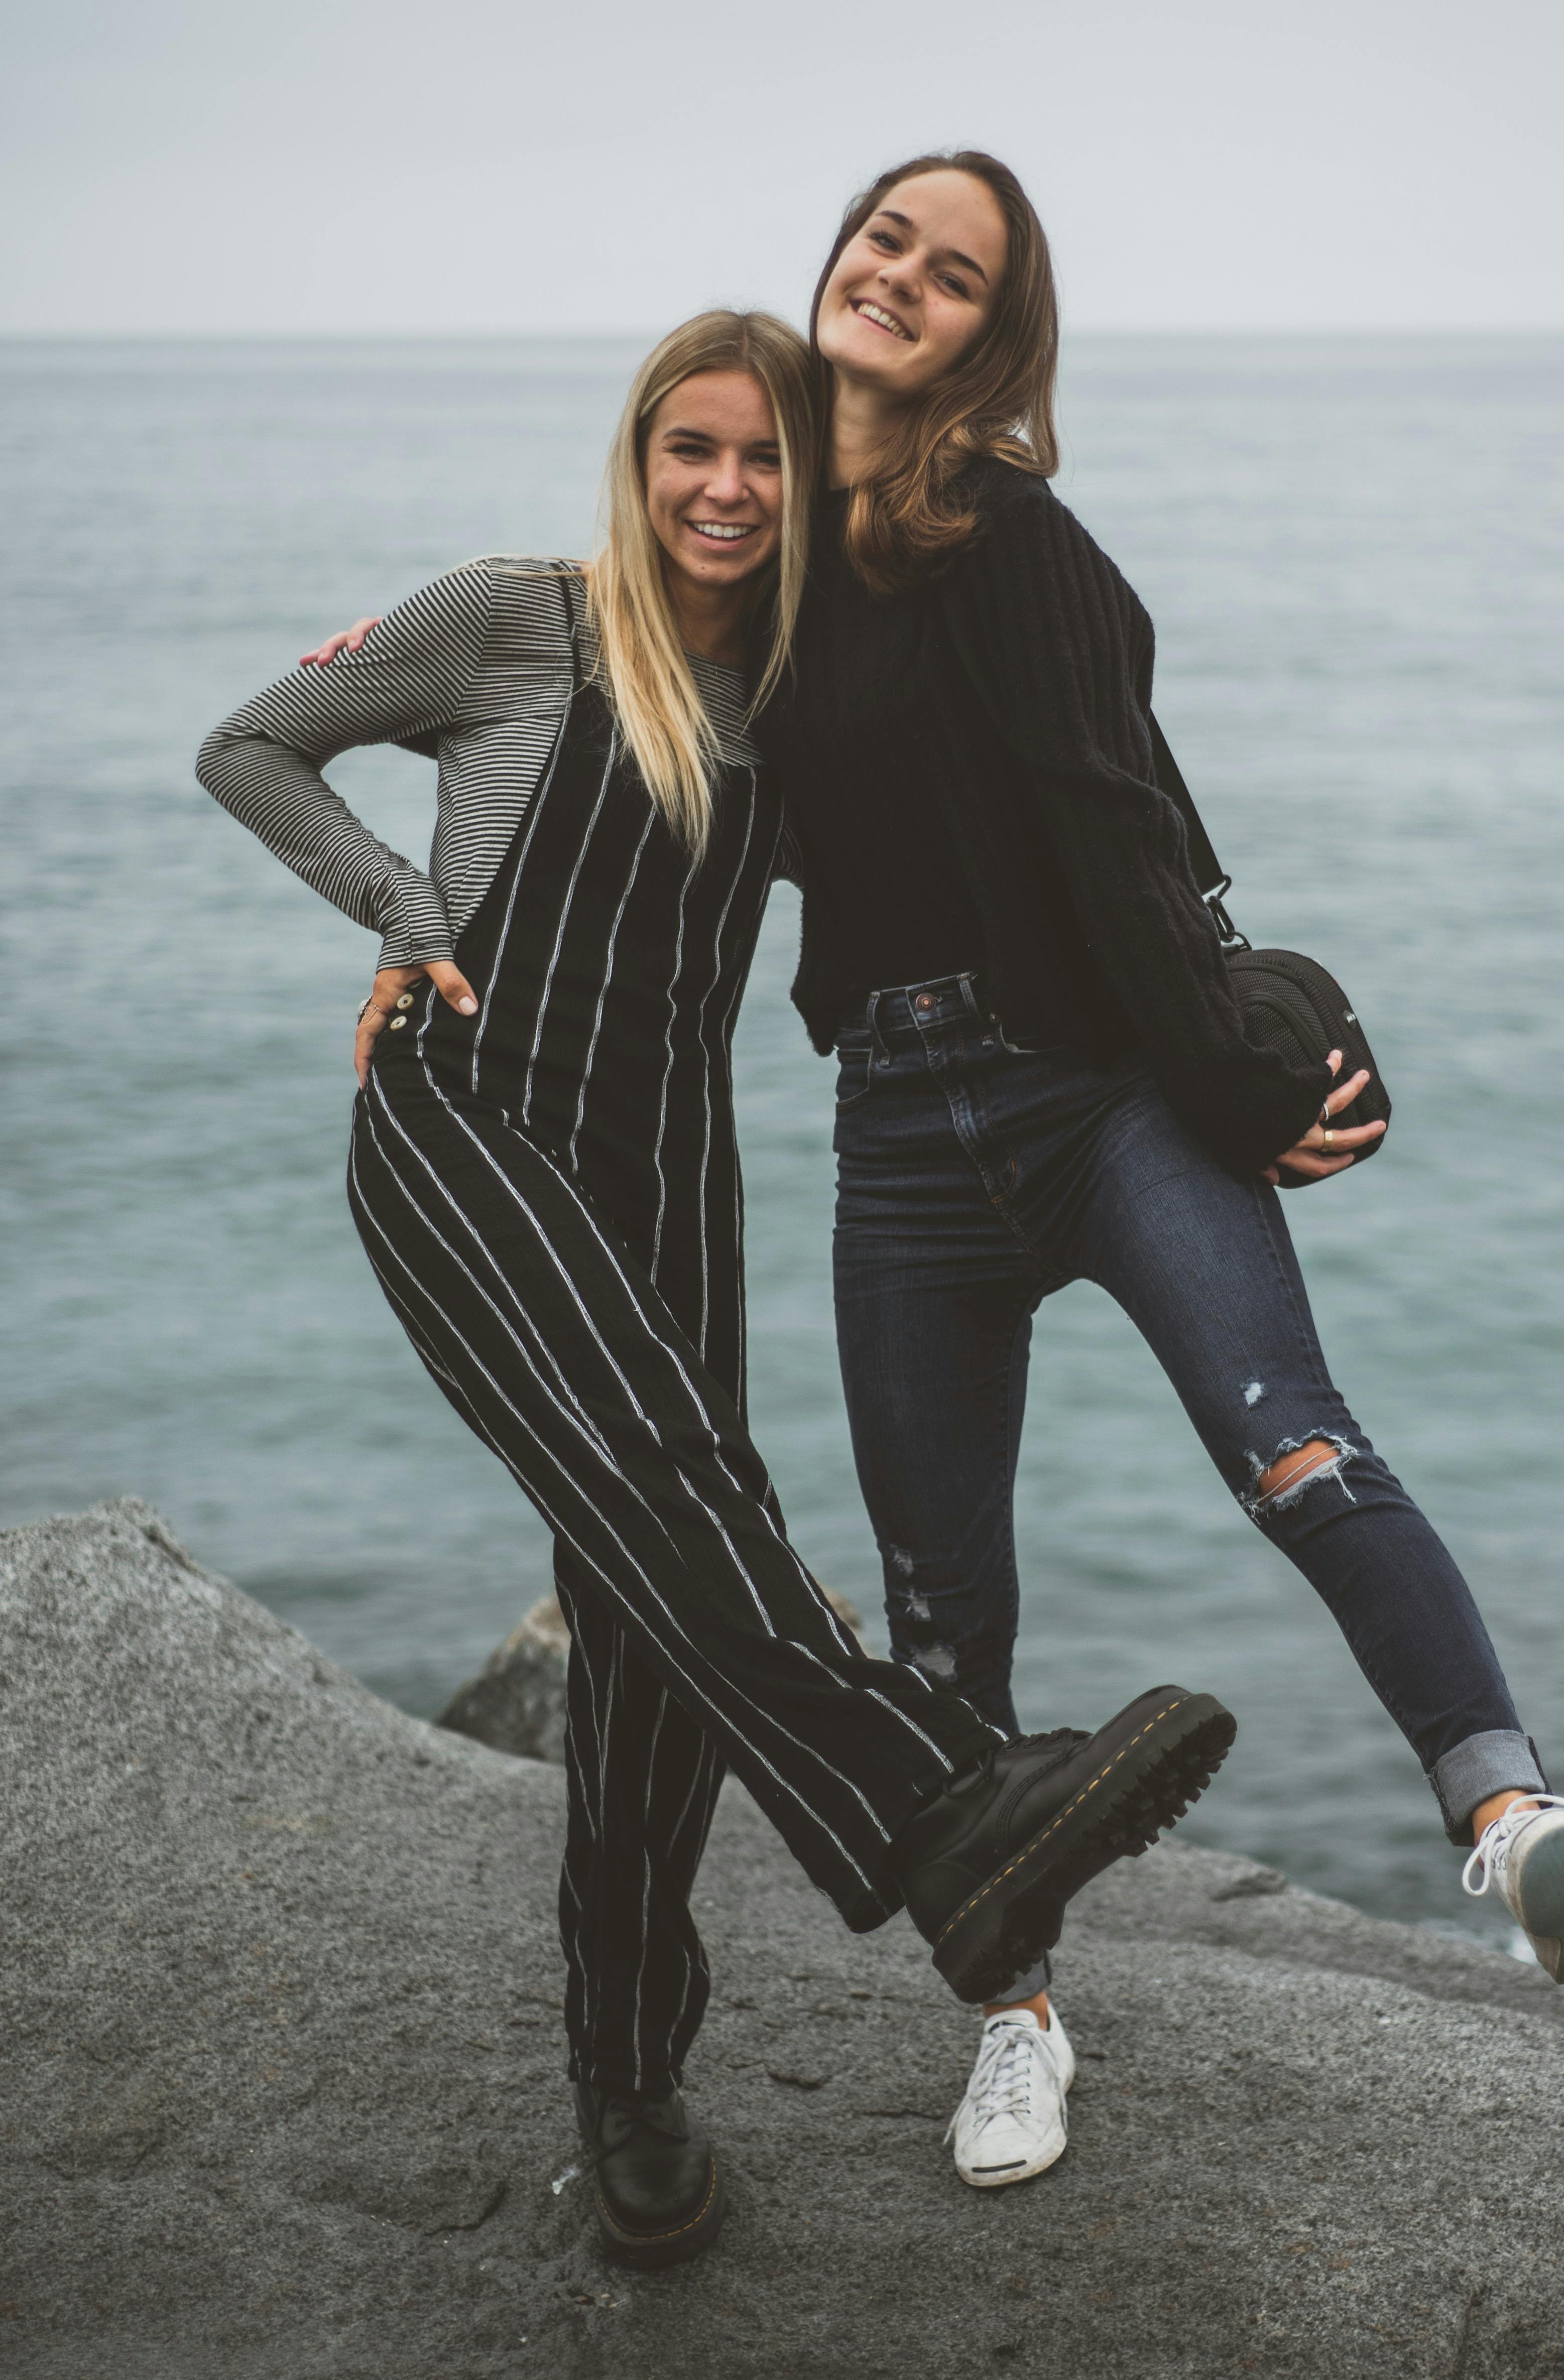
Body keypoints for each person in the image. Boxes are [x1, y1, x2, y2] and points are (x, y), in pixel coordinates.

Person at [302, 159, 1564, 2199]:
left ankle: (1508, 1813)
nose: (901, 279)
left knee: (1290, 1445)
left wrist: (1238, 1065)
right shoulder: (772, 571)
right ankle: (1011, 2018)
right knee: (942, 1604)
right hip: (893, 1129)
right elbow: (610, 684)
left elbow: (1127, 824)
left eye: (955, 273)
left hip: (1101, 1090)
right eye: (883, 242)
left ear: (993, 336)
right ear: (833, 260)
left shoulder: (1012, 542)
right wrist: (422, 881)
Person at [194, 308, 1236, 2270]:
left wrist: (1214, 1025)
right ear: (641, 452)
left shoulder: (794, 693)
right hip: (470, 1125)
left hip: (673, 1183)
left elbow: (1010, 829)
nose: (729, 489)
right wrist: (404, 916)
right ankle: (947, 1811)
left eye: (765, 458)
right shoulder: (518, 618)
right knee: (676, 1492)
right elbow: (249, 742)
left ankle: (631, 2077)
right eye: (694, 449)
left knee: (667, 1626)